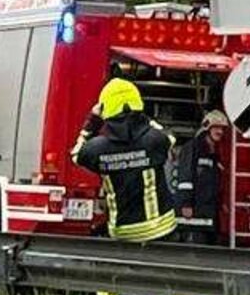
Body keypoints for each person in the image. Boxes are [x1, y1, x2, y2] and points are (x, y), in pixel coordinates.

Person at [69, 78, 176, 243]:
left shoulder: (98, 148)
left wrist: (92, 122)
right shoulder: (154, 140)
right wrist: (142, 117)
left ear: (105, 109)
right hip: (161, 229)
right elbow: (170, 138)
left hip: (123, 232)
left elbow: (76, 155)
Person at [173, 110, 228, 245]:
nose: (220, 131)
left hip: (207, 215)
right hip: (193, 216)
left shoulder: (214, 152)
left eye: (222, 128)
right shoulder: (192, 148)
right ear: (207, 127)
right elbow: (185, 177)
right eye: (216, 127)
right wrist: (186, 204)